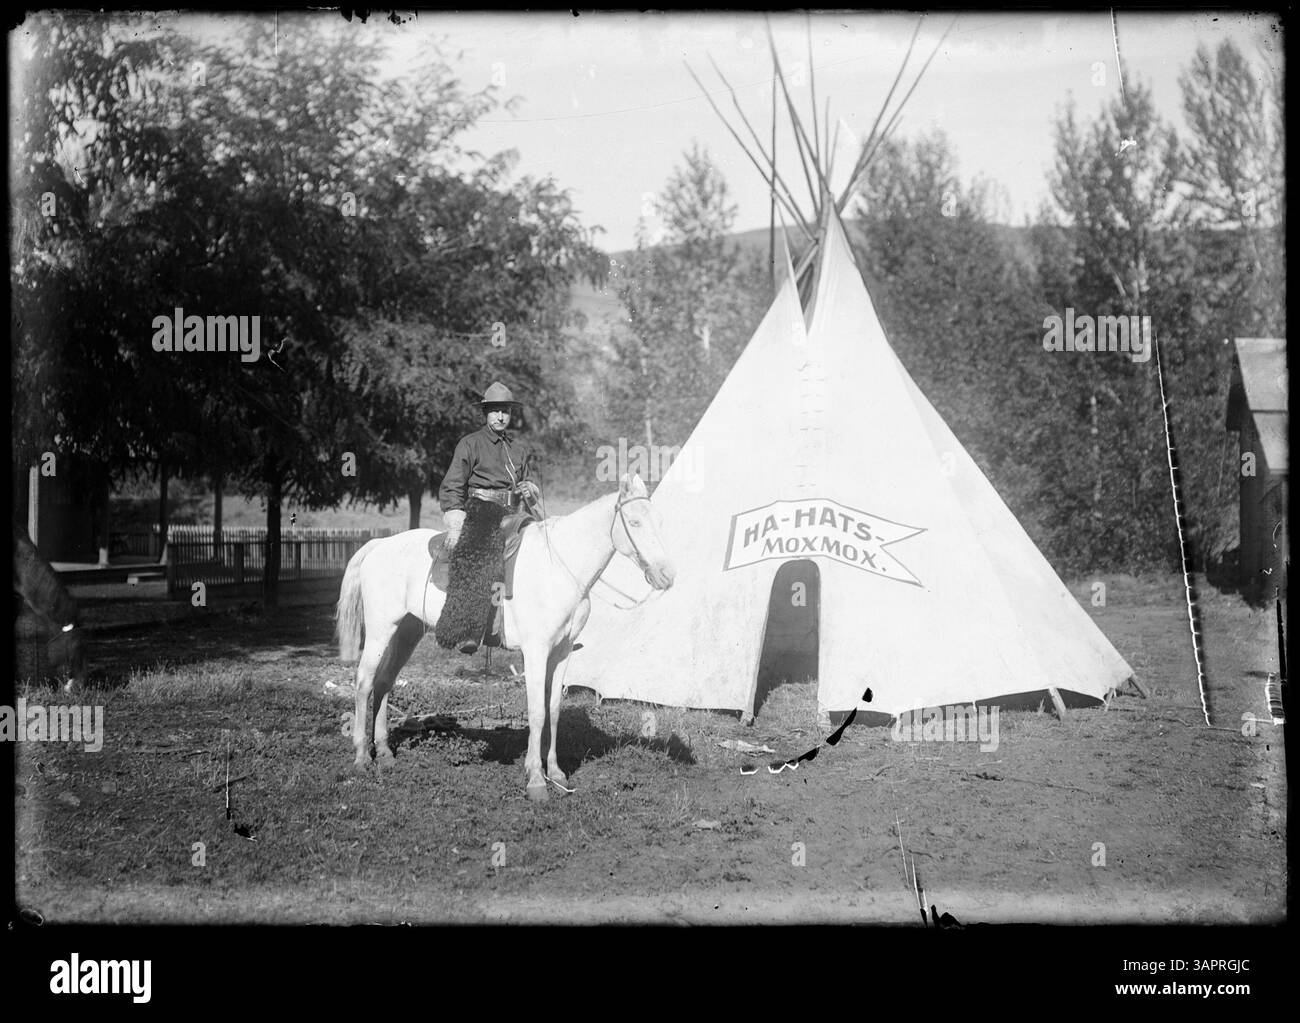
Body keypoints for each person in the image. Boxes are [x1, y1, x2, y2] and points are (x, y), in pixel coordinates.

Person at [434, 382, 541, 653]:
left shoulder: (518, 448)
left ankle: (534, 625)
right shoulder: (470, 444)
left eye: (504, 411)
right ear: (485, 414)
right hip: (481, 511)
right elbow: (453, 484)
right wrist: (455, 515)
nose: (500, 417)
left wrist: (529, 488)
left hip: (513, 513)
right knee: (477, 557)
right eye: (494, 412)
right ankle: (465, 630)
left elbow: (529, 479)